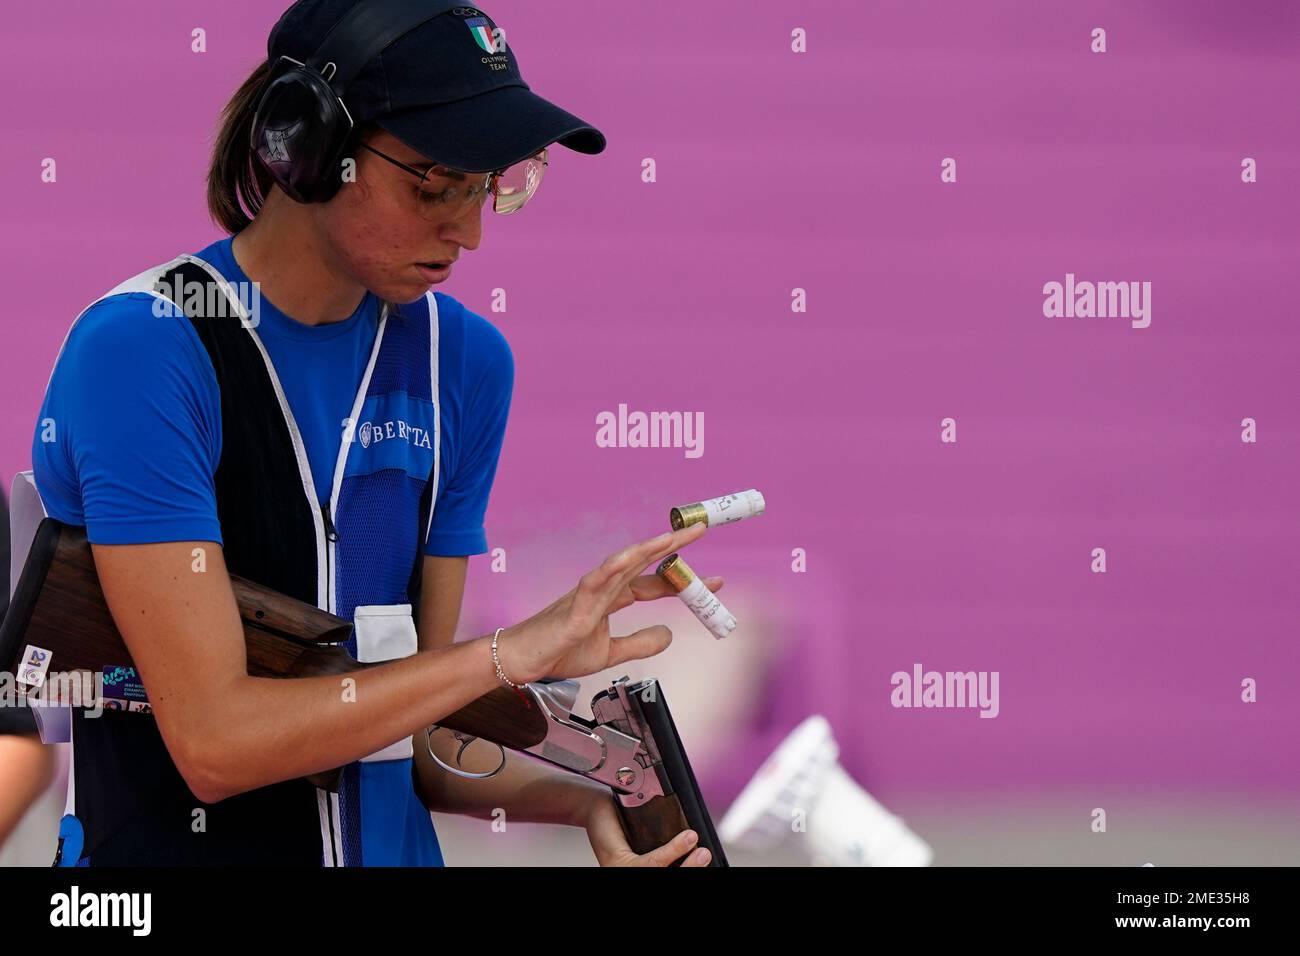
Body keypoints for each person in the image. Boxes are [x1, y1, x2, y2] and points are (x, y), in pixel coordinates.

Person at [28, 0, 723, 866]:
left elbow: (416, 736)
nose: (467, 230)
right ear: (304, 148)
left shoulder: (464, 362)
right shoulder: (143, 350)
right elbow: (215, 743)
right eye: (433, 183)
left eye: (490, 186)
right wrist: (506, 656)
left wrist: (590, 800)